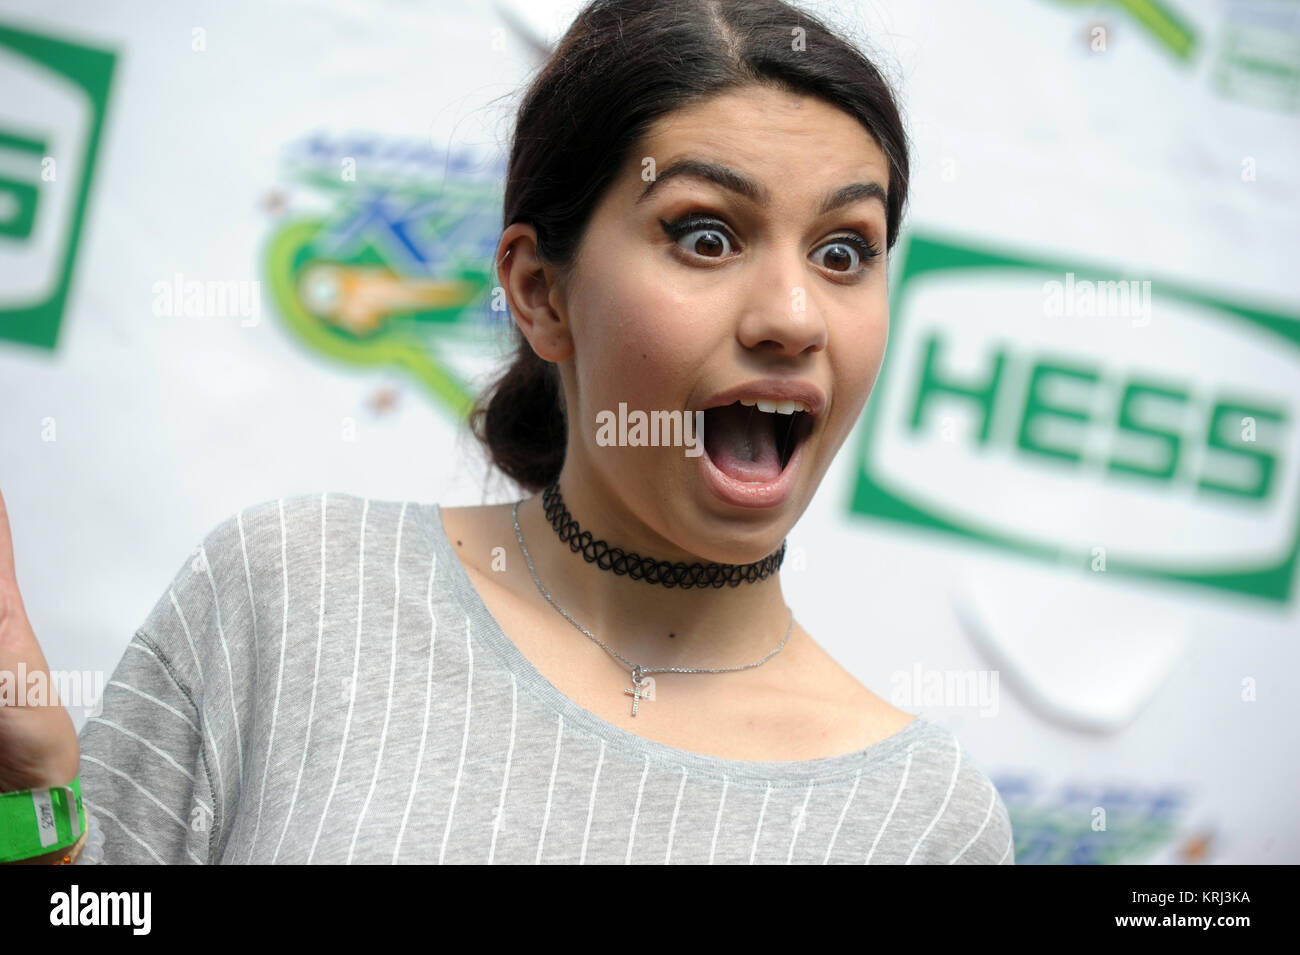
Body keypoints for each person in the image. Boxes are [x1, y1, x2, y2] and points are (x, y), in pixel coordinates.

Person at [0, 0, 1015, 865]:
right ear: (539, 294)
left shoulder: (921, 820)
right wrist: (34, 800)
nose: (793, 315)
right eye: (706, 235)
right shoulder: (291, 599)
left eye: (845, 251)